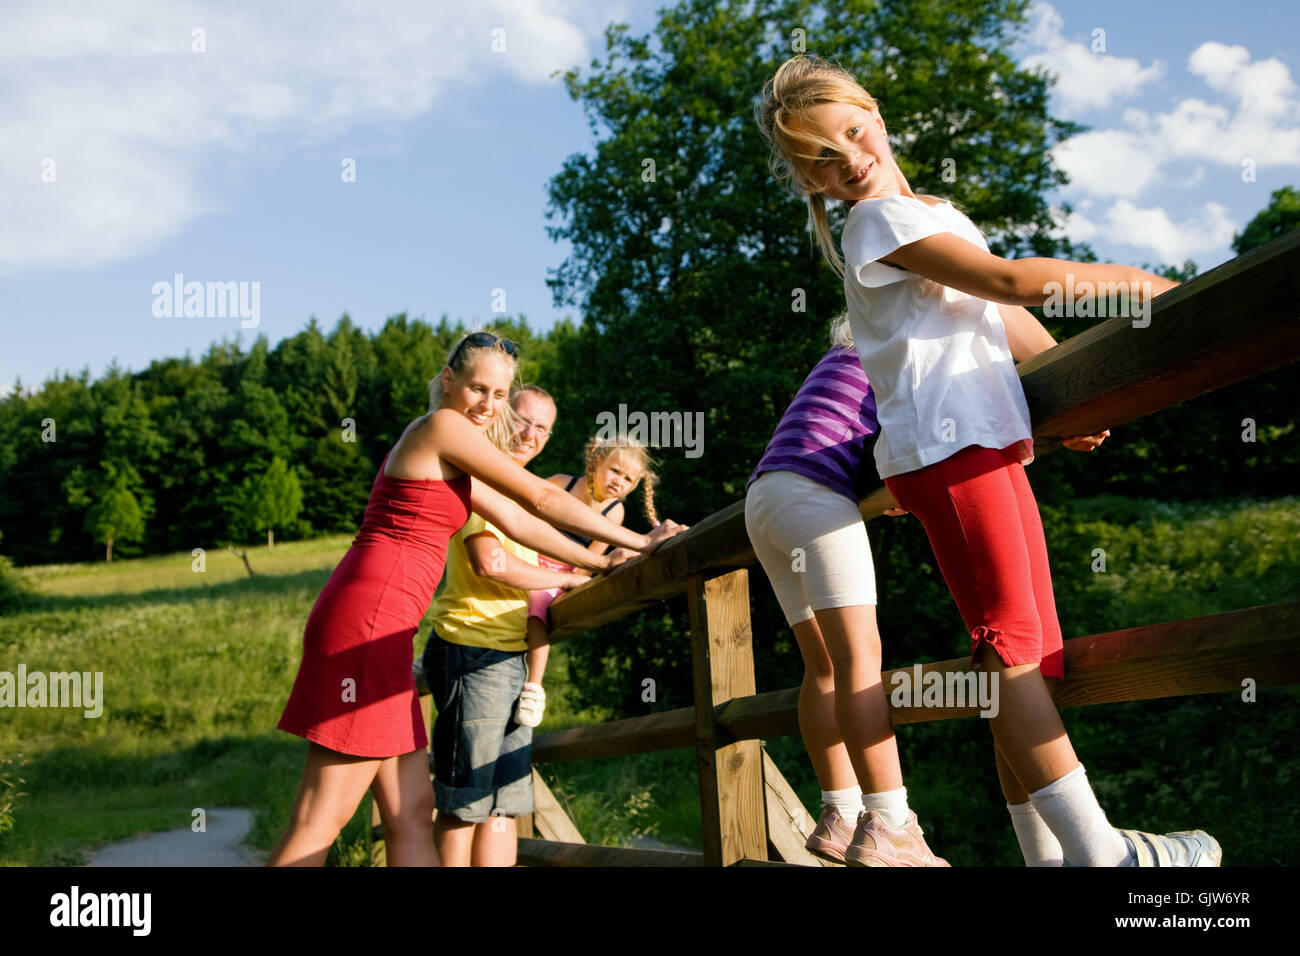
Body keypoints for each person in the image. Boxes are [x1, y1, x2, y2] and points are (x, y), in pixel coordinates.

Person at [754, 55, 1220, 867]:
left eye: (853, 133)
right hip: (951, 447)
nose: (850, 159)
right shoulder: (877, 224)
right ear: (809, 182)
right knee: (1009, 649)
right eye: (822, 159)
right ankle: (1100, 857)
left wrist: (1064, 401)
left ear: (875, 112)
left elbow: (997, 312)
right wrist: (1139, 287)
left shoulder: (925, 213)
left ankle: (1052, 857)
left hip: (976, 445)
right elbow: (1012, 278)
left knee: (1023, 653)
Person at [269, 331, 684, 866]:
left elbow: (519, 519)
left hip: (389, 634)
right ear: (448, 381)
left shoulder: (456, 458)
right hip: (366, 627)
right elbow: (538, 495)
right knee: (320, 818)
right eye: (478, 389)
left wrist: (603, 561)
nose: (489, 406)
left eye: (499, 394)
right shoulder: (442, 428)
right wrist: (643, 541)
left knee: (411, 812)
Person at [745, 314, 946, 866]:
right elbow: (905, 443)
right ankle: (890, 822)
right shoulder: (890, 358)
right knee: (861, 657)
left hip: (763, 499)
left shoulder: (837, 361)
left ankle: (839, 811)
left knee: (824, 665)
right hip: (814, 495)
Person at [516, 435, 659, 727]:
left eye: (629, 479)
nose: (620, 481)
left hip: (560, 573)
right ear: (595, 463)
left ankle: (533, 686)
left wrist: (566, 582)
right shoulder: (560, 484)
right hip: (528, 554)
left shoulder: (612, 511)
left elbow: (588, 559)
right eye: (615, 471)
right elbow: (523, 517)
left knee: (538, 607)